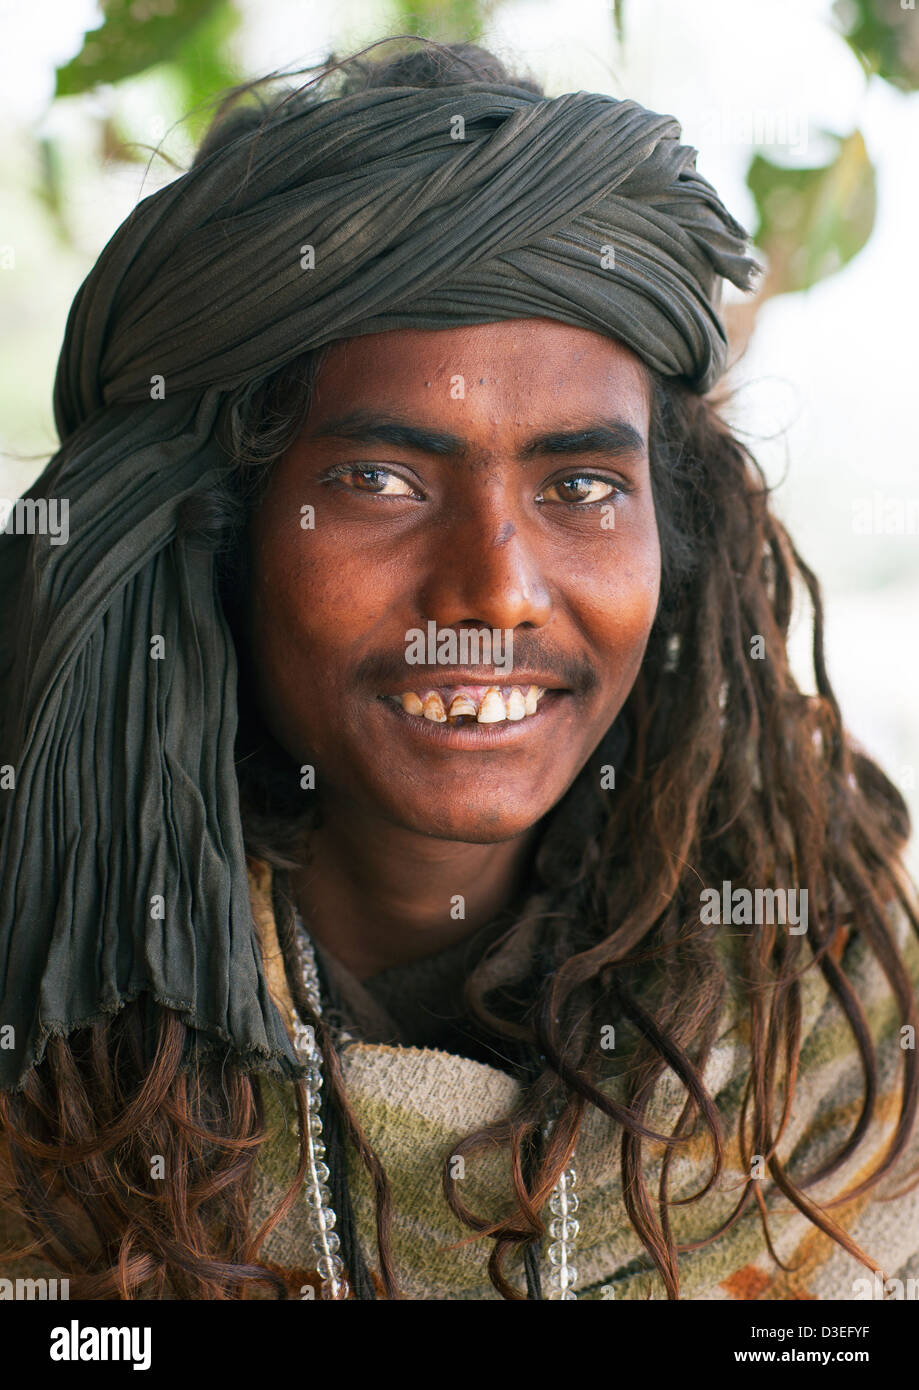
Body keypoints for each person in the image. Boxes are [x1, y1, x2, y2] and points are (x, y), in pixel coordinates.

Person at [0, 37, 917, 1303]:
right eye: (379, 480)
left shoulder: (832, 1036)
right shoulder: (44, 1034)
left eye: (581, 486)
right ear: (226, 526)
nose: (494, 585)